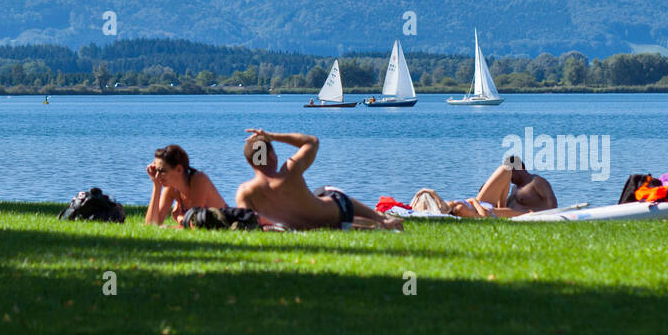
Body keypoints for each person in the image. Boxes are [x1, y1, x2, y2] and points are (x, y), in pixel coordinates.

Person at [234, 128, 401, 231]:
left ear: (250, 161)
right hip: (339, 211)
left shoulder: (246, 192)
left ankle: (378, 220)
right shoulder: (289, 172)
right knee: (326, 191)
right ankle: (381, 219)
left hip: (312, 224)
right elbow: (311, 142)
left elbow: (248, 224)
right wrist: (272, 136)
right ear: (271, 155)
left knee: (320, 199)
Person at [416, 155, 558, 218]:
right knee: (504, 171)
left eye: (513, 172)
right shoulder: (514, 189)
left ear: (520, 167)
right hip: (493, 210)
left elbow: (554, 205)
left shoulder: (536, 181)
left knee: (504, 169)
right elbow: (500, 207)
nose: (511, 177)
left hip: (509, 213)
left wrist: (548, 214)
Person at [144, 144, 227, 225]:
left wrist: (178, 220)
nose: (157, 176)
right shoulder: (171, 189)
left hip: (229, 223)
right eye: (156, 170)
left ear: (179, 170)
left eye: (162, 171)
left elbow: (195, 225)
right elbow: (151, 225)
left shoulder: (199, 180)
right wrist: (156, 186)